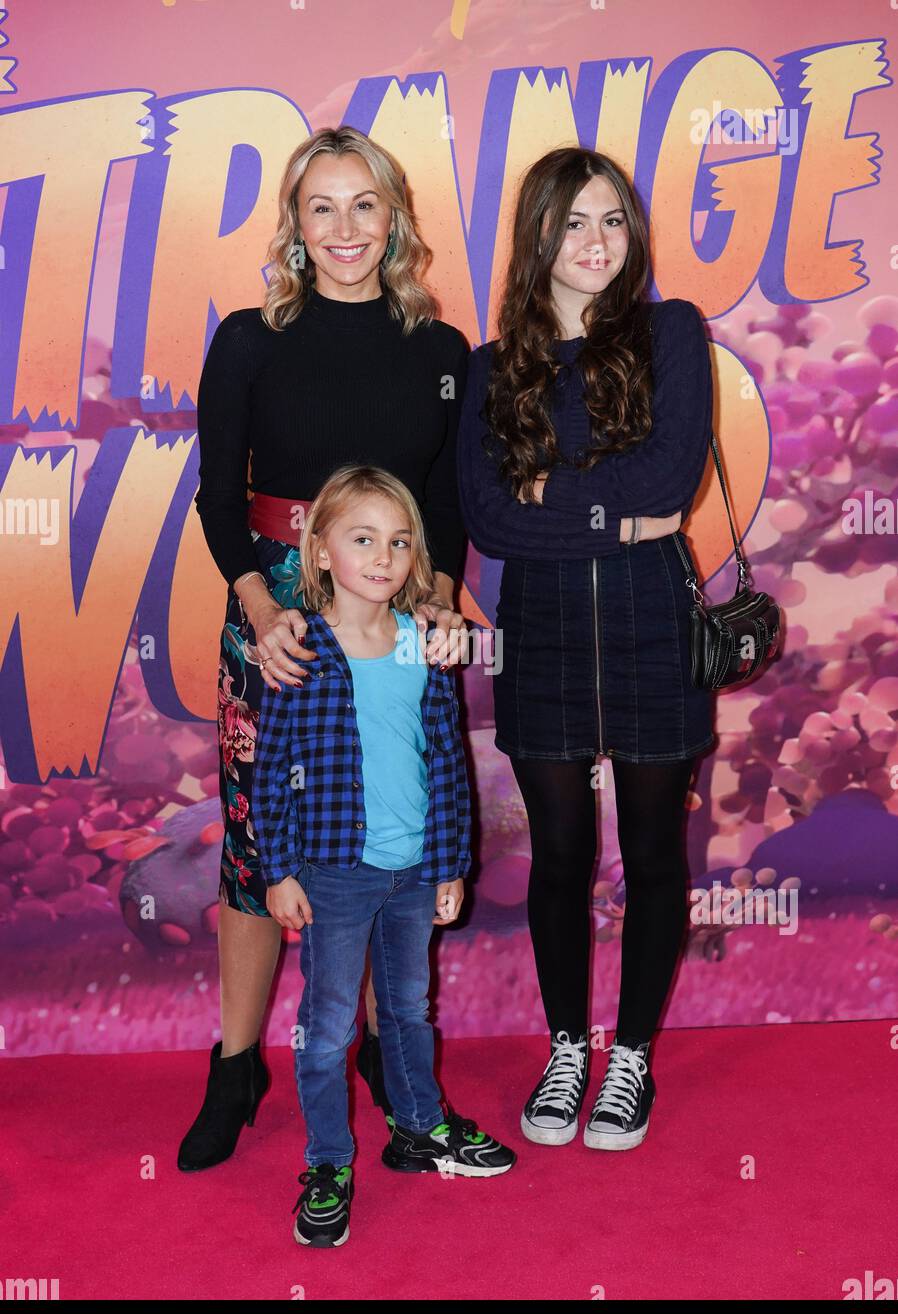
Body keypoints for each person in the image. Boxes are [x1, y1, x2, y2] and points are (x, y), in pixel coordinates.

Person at [179, 126, 471, 1173]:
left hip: (396, 613)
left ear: (393, 218)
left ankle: (390, 1057)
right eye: (322, 207)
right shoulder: (249, 340)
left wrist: (434, 603)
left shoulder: (441, 355)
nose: (344, 228)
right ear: (296, 226)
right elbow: (217, 496)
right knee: (265, 839)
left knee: (395, 823)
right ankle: (237, 1061)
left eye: (364, 205)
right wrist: (259, 608)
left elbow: (442, 503)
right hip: (281, 608)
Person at [457, 146, 715, 1152]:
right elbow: (486, 520)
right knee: (559, 855)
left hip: (654, 621)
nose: (596, 242)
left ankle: (632, 1057)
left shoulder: (672, 334)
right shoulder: (490, 368)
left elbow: (668, 483)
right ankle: (568, 1046)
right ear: (537, 238)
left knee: (652, 852)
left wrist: (556, 500)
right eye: (572, 222)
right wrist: (614, 514)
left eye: (612, 220)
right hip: (544, 633)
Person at [252, 464, 516, 1247]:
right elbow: (268, 773)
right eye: (362, 539)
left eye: (399, 542)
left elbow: (446, 758)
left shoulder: (424, 645)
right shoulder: (300, 649)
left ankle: (420, 1130)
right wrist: (278, 871)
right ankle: (330, 1162)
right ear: (321, 550)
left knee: (406, 1009)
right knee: (330, 1026)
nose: (383, 556)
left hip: (413, 873)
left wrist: (450, 864)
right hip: (333, 872)